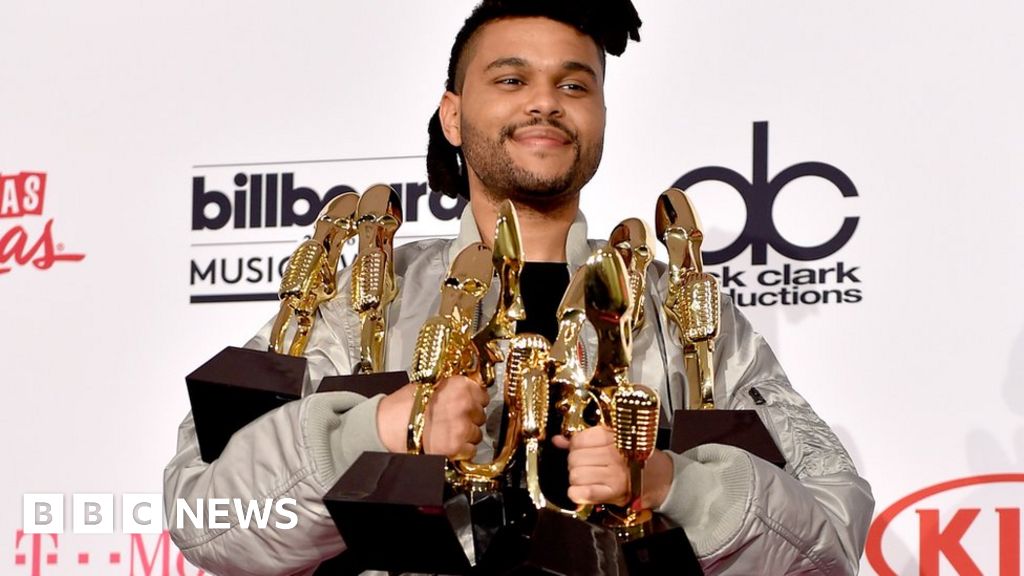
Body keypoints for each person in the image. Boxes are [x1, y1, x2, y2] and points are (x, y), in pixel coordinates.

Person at [164, 1, 874, 574]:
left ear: (599, 115)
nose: (545, 103)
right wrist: (376, 430)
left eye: (574, 83)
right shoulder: (359, 304)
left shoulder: (680, 311)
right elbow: (207, 516)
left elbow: (832, 542)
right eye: (511, 80)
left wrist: (671, 485)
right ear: (452, 114)